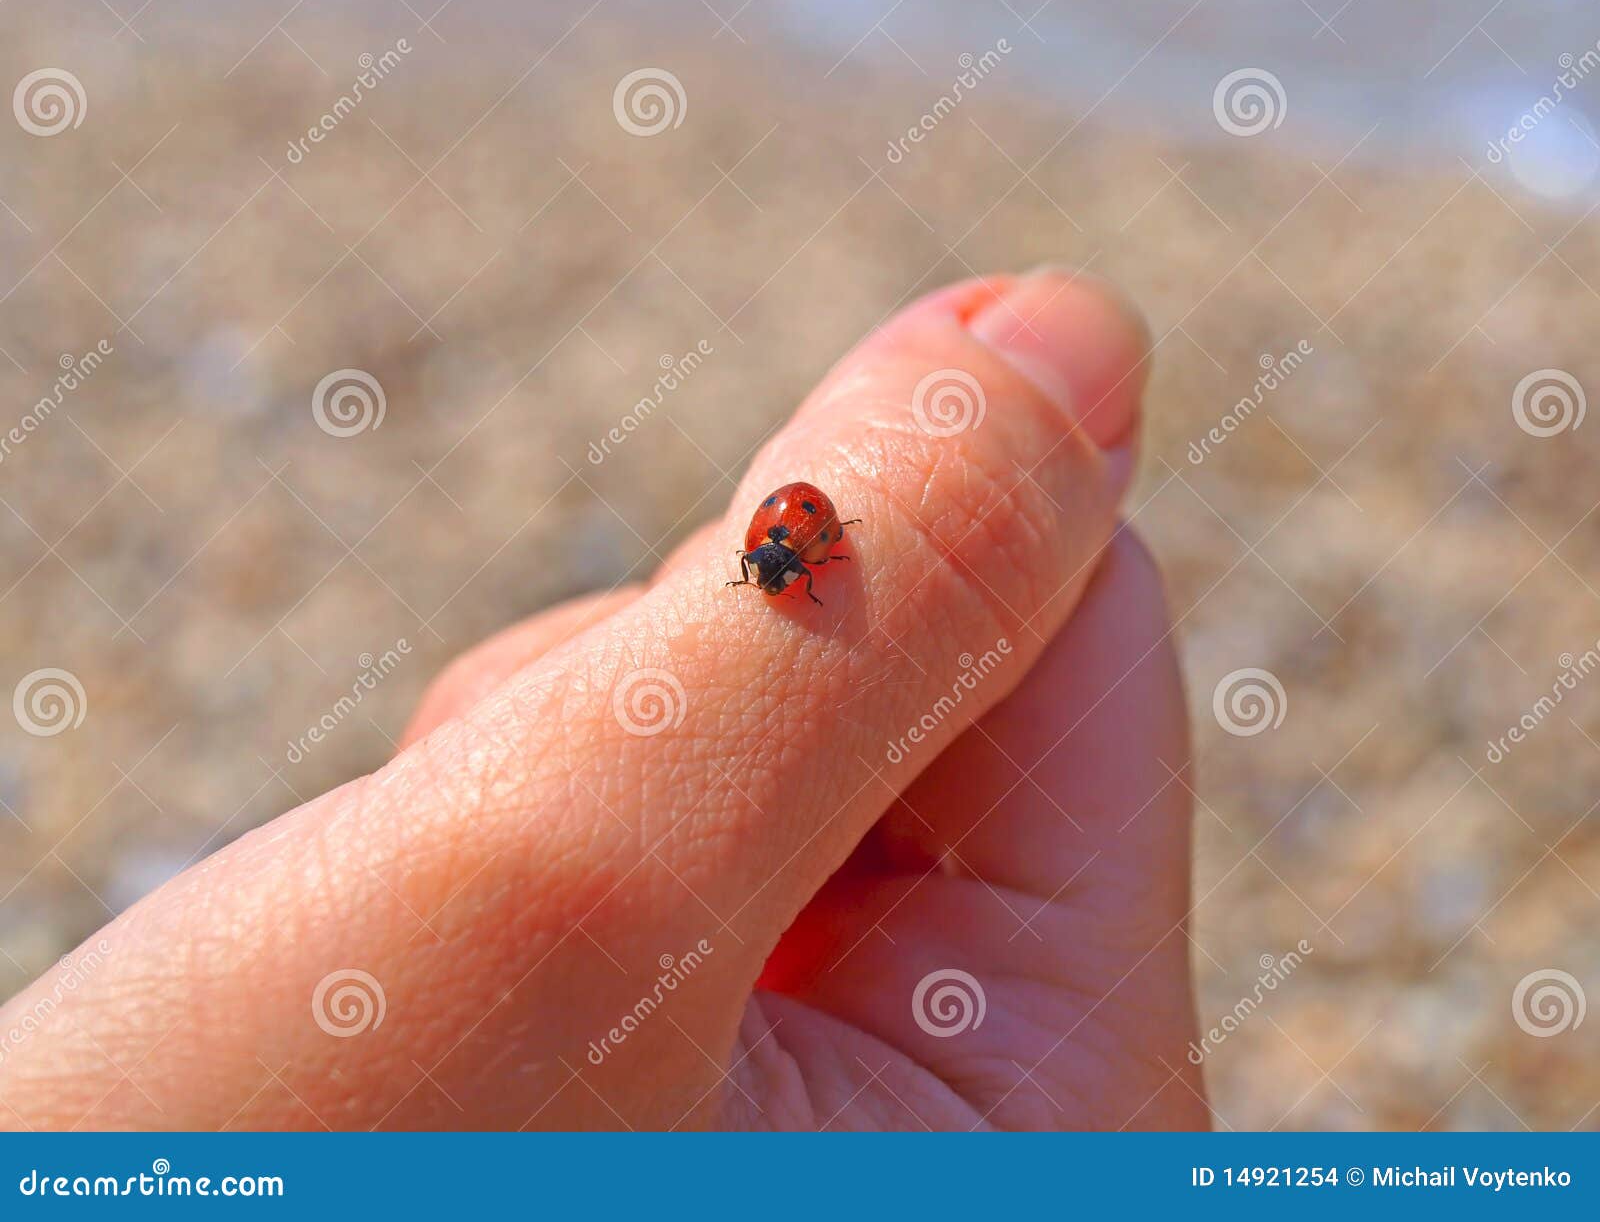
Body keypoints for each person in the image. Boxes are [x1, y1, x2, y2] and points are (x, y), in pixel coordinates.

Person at [0, 269, 1206, 1130]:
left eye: (783, 567)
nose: (781, 572)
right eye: (779, 567)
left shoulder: (791, 551)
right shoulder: (787, 553)